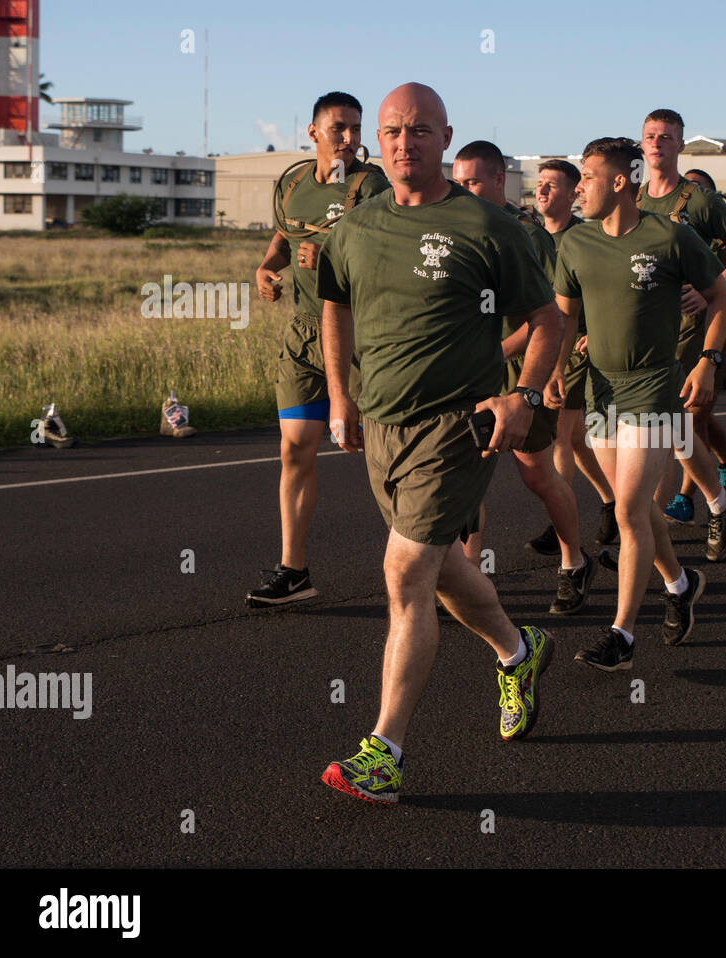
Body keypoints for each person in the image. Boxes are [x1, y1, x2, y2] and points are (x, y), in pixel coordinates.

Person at [317, 83, 561, 804]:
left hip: (458, 427)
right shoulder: (356, 229)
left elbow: (550, 323)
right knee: (442, 568)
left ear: (445, 138)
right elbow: (334, 305)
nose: (402, 142)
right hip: (382, 426)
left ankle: (383, 751)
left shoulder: (489, 227)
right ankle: (519, 652)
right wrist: (340, 395)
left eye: (419, 130)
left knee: (404, 572)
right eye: (391, 130)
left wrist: (524, 395)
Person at [554, 136, 726, 669]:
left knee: (630, 509)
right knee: (640, 511)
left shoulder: (670, 236)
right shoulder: (576, 244)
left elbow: (721, 295)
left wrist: (708, 360)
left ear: (618, 182)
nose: (578, 187)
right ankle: (680, 583)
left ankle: (623, 636)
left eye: (587, 177)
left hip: (655, 384)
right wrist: (553, 372)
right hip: (602, 388)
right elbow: (565, 316)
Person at [248, 91, 390, 609]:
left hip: (360, 334)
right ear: (313, 132)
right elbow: (282, 242)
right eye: (339, 129)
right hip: (304, 334)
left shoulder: (368, 186)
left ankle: (437, 562)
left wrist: (331, 253)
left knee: (385, 455)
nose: (350, 139)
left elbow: (385, 260)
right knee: (294, 451)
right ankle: (294, 570)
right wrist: (267, 268)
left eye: (356, 129)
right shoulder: (290, 182)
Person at [450, 140, 595, 615]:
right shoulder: (451, 230)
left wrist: (500, 355)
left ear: (498, 181)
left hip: (520, 370)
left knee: (538, 475)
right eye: (459, 180)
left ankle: (573, 560)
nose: (464, 189)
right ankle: (468, 570)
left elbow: (547, 317)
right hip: (472, 374)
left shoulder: (526, 236)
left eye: (473, 181)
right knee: (462, 475)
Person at [637, 109, 726, 533]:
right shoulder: (632, 199)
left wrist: (711, 288)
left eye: (667, 137)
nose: (657, 143)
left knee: (675, 426)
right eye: (651, 135)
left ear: (680, 146)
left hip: (692, 328)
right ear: (641, 143)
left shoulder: (699, 200)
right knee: (660, 429)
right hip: (646, 328)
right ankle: (718, 493)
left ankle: (667, 520)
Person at [534, 158, 620, 546]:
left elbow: (612, 293)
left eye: (552, 185)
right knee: (577, 442)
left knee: (559, 436)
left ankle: (560, 526)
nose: (542, 191)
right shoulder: (529, 237)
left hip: (576, 347)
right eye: (539, 183)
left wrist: (597, 332)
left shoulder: (587, 238)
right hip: (539, 344)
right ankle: (612, 500)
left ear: (573, 194)